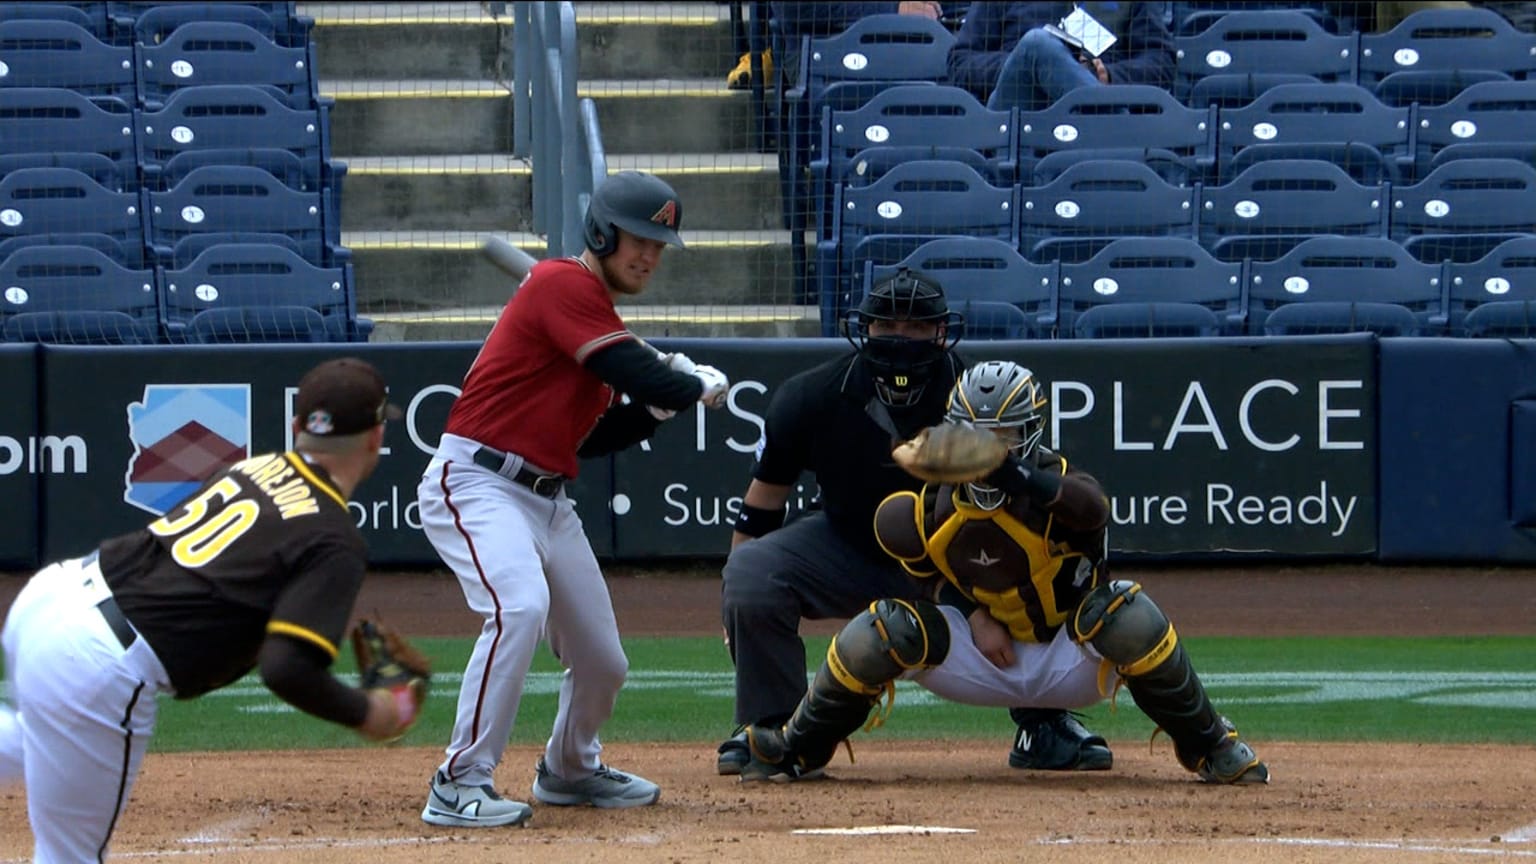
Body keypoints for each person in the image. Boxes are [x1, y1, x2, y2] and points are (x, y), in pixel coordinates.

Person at [742, 360, 1270, 786]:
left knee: (1124, 610)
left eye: (1005, 433)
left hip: (1070, 656)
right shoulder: (921, 511)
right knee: (883, 626)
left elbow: (1093, 509)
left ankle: (1210, 745)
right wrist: (970, 615)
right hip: (985, 657)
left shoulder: (1061, 489)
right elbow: (923, 577)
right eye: (976, 433)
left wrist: (1013, 474)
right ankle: (796, 747)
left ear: (1032, 433)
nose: (990, 443)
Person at [0, 357, 415, 862]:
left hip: (52, 597)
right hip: (97, 661)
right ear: (375, 439)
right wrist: (371, 712)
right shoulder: (333, 538)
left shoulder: (253, 466)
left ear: (295, 427)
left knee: (38, 735)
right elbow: (286, 668)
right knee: (69, 855)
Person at [416, 170, 730, 828]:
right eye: (637, 238)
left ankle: (569, 769)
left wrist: (657, 408)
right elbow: (630, 370)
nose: (647, 254)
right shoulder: (564, 284)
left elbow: (591, 439)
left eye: (658, 245)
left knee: (602, 660)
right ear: (600, 231)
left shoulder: (596, 321)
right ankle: (458, 781)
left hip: (546, 497)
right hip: (477, 482)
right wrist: (681, 383)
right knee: (519, 606)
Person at [717, 269, 1114, 780]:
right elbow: (760, 507)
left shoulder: (975, 394)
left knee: (1031, 555)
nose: (901, 338)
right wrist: (735, 600)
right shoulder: (811, 395)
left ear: (941, 332)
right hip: (847, 544)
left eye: (917, 326)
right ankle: (772, 728)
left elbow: (1037, 490)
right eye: (887, 325)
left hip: (960, 559)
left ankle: (1042, 724)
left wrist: (970, 608)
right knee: (752, 572)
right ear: (865, 328)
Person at [946, 2, 1175, 112]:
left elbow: (1161, 61)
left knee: (1040, 46)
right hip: (1017, 116)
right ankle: (1117, 135)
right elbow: (961, 62)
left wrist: (1109, 76)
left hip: (1086, 118)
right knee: (1038, 44)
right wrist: (1025, 63)